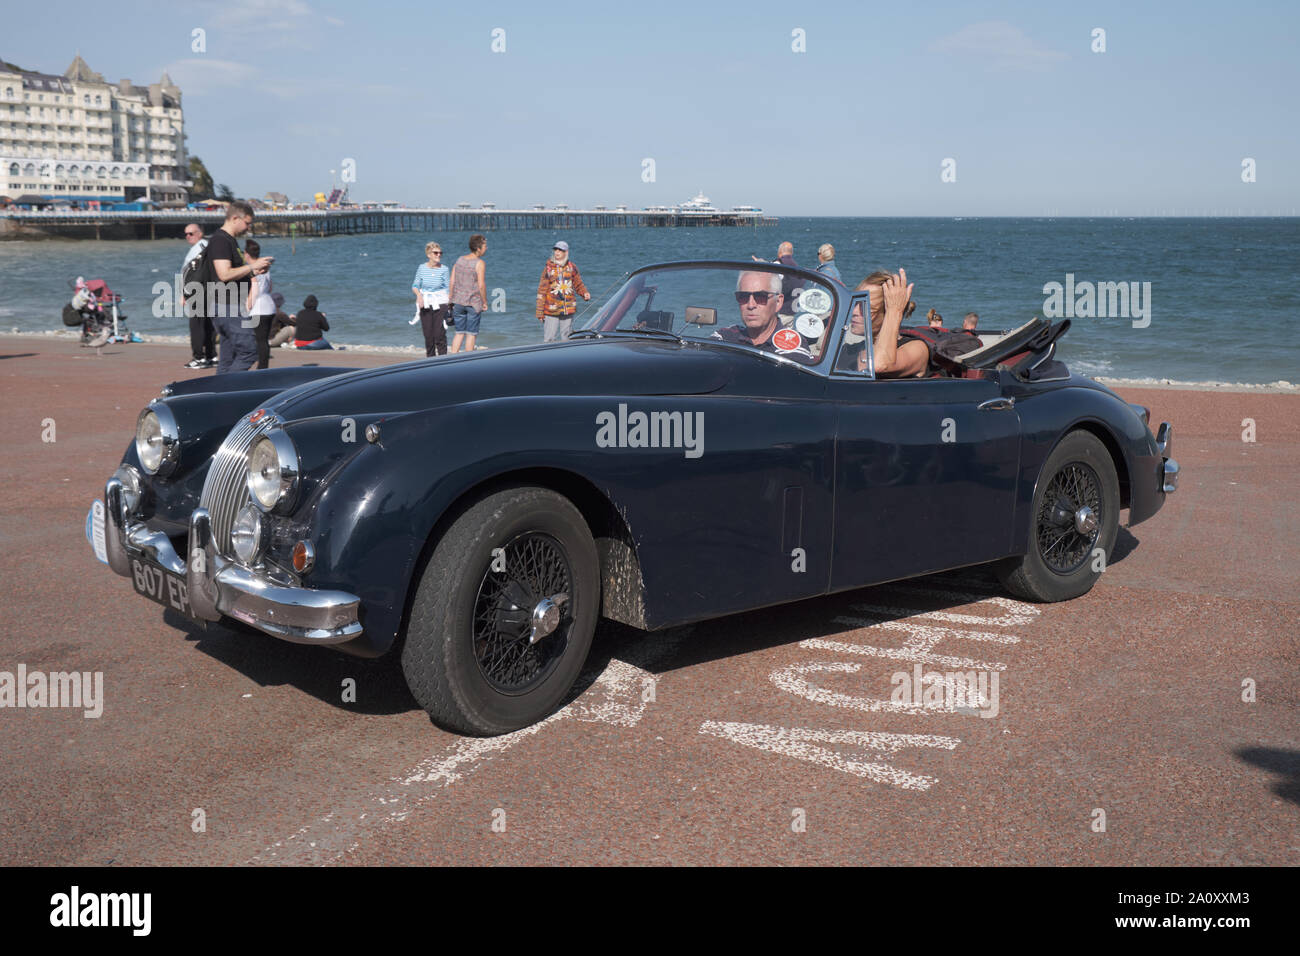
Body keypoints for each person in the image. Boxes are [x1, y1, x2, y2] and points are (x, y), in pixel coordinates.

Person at [208, 200, 272, 374]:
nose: (248, 228)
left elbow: (232, 274)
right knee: (250, 351)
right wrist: (252, 266)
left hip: (227, 306)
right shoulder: (221, 240)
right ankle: (227, 389)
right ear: (235, 218)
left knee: (227, 359)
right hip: (228, 306)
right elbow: (224, 274)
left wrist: (254, 271)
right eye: (247, 223)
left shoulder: (229, 241)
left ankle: (218, 396)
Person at [836, 269, 930, 378]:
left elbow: (880, 365)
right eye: (855, 303)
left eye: (866, 308)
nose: (854, 312)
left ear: (887, 314)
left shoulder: (917, 349)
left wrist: (895, 310)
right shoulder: (850, 351)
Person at [712, 271, 784, 350]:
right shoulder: (724, 339)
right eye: (743, 296)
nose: (751, 305)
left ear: (778, 302)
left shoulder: (794, 351)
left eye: (760, 297)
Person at [535, 240, 590, 342]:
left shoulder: (572, 267)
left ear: (566, 252)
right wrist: (539, 312)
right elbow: (541, 291)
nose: (557, 252)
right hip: (551, 310)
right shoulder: (548, 269)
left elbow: (578, 284)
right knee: (549, 339)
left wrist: (584, 293)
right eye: (556, 250)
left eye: (560, 250)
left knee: (567, 338)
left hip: (568, 309)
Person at [182, 222, 215, 369]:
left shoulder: (201, 248)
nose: (188, 236)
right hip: (203, 290)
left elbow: (194, 274)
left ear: (200, 233)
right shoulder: (199, 248)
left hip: (198, 291)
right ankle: (210, 355)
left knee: (196, 325)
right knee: (207, 324)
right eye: (186, 234)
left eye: (191, 233)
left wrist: (185, 293)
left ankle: (199, 357)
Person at [449, 233, 488, 353]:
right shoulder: (479, 263)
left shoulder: (459, 260)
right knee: (471, 334)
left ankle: (451, 360)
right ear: (478, 248)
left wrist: (450, 298)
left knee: (459, 333)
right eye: (485, 246)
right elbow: (481, 285)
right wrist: (485, 302)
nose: (486, 248)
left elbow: (452, 281)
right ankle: (467, 362)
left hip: (458, 302)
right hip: (473, 303)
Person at [412, 241, 450, 357]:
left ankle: (443, 362)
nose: (439, 255)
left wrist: (450, 305)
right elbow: (415, 285)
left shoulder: (444, 269)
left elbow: (448, 288)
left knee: (439, 335)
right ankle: (430, 363)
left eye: (440, 253)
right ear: (429, 254)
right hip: (425, 303)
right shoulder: (422, 268)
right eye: (435, 253)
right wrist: (419, 297)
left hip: (441, 303)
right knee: (428, 336)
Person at [244, 238, 276, 369]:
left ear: (246, 254)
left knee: (258, 341)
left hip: (258, 308)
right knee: (264, 341)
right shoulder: (265, 267)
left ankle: (261, 368)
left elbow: (254, 288)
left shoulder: (251, 269)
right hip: (270, 305)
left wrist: (248, 305)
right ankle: (263, 366)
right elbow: (270, 287)